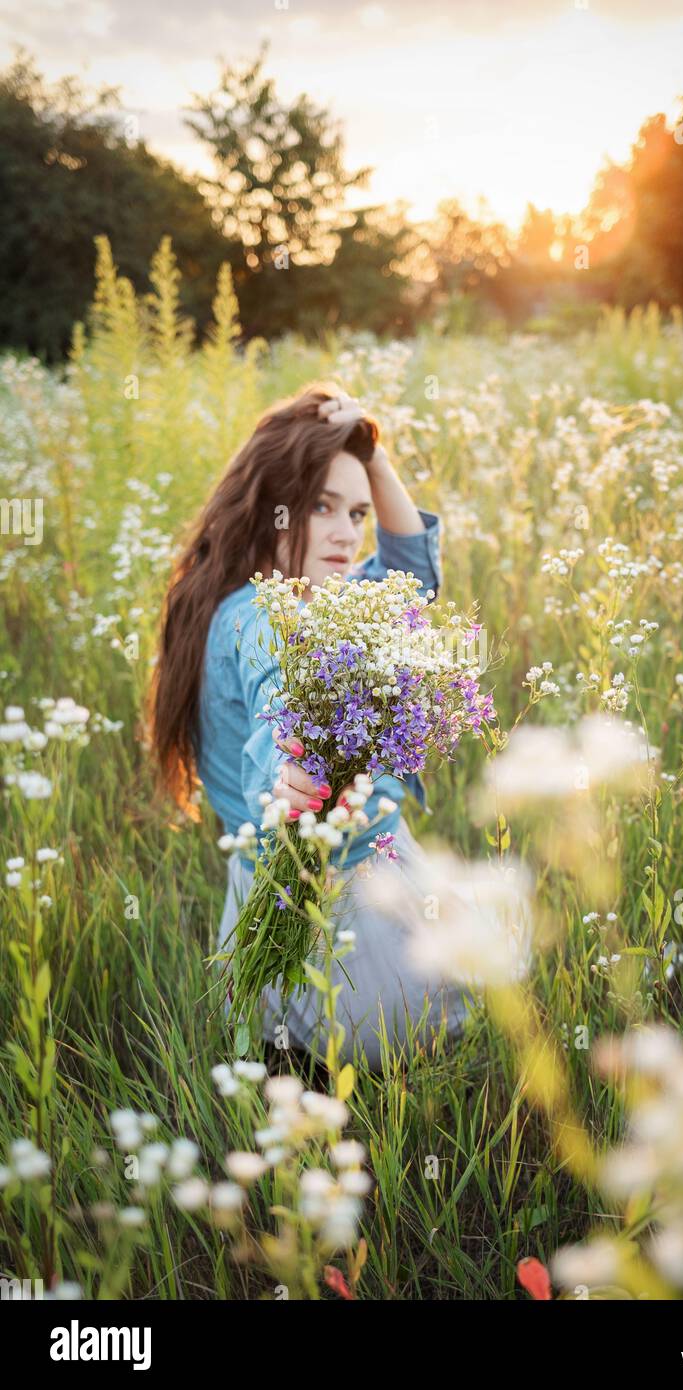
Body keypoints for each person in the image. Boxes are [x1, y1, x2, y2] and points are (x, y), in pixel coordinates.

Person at [148, 384, 471, 1070]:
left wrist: (373, 456)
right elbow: (281, 720)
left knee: (304, 1073)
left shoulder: (313, 597)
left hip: (283, 891)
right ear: (271, 504)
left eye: (356, 512)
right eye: (321, 506)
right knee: (417, 1077)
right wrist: (292, 781)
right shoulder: (266, 618)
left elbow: (412, 576)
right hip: (344, 904)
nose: (346, 532)